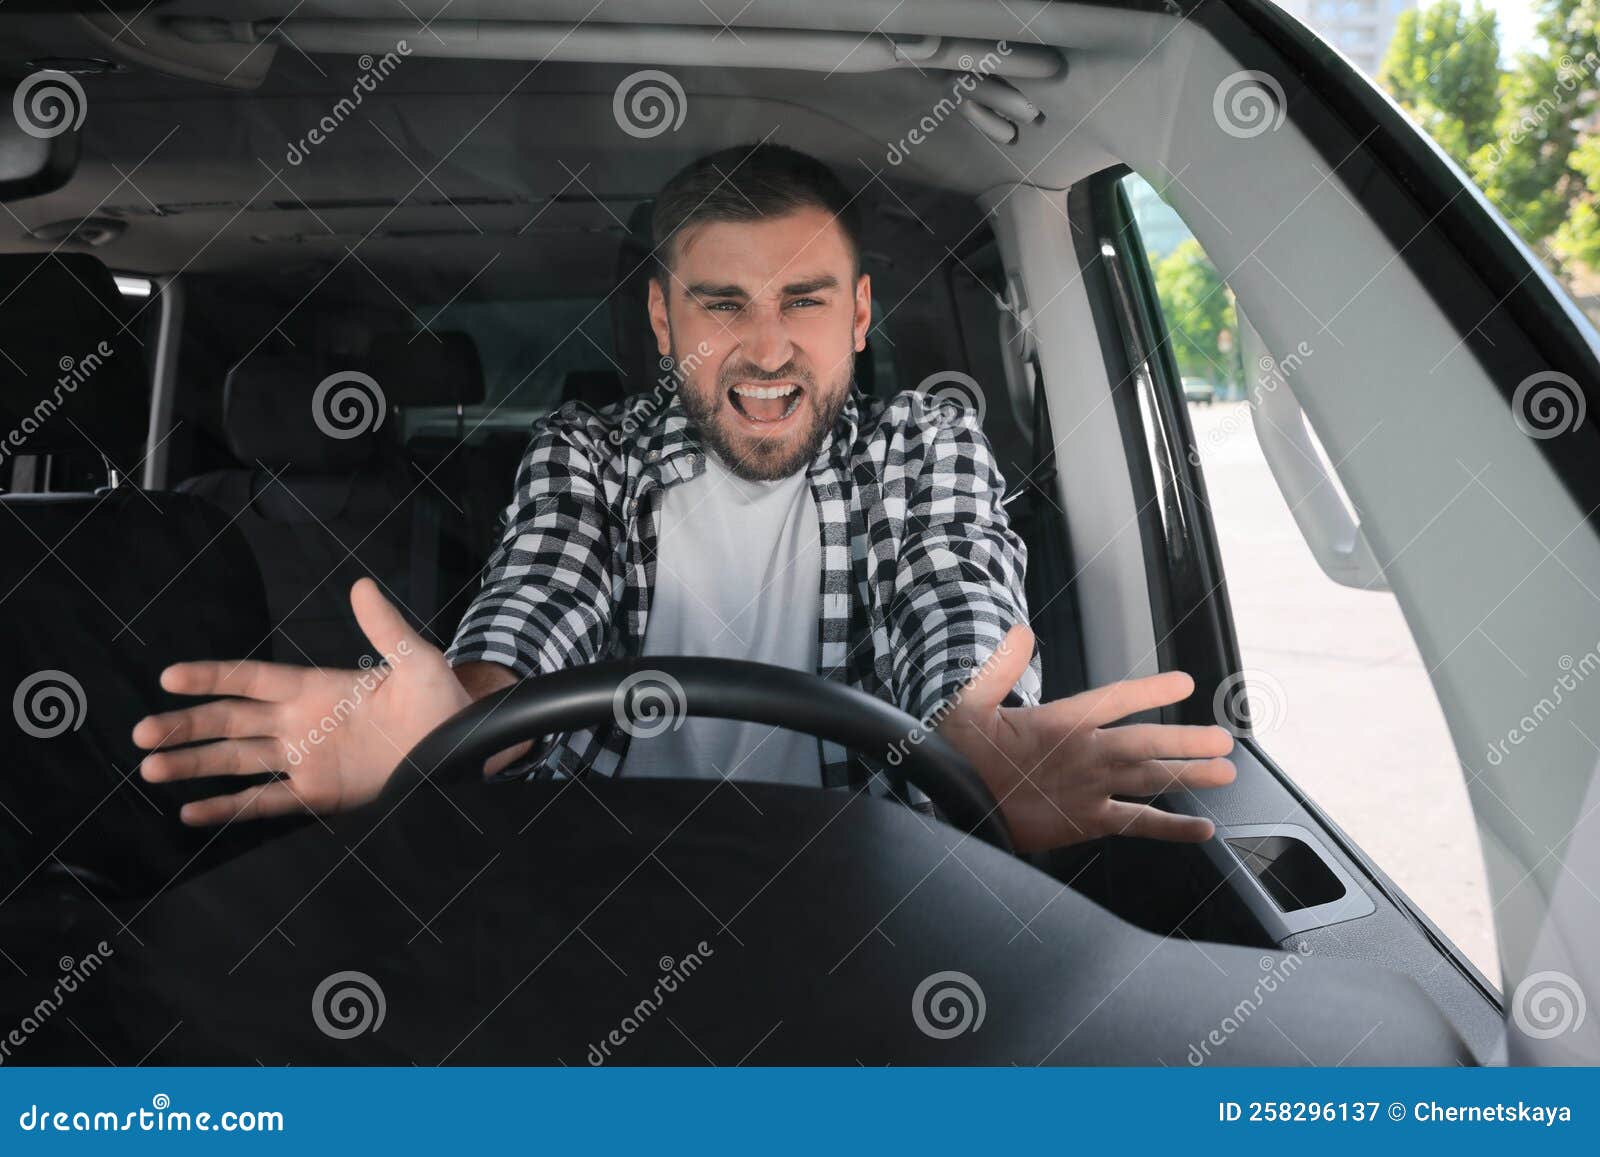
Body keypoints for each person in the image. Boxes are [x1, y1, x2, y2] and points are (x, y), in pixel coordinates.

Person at [133, 143, 1234, 853]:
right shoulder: (587, 453)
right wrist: (463, 713)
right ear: (664, 323)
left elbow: (951, 591)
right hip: (597, 883)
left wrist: (965, 734)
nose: (767, 347)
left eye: (803, 301)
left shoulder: (924, 443)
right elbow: (539, 593)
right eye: (723, 304)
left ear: (858, 316)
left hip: (871, 879)